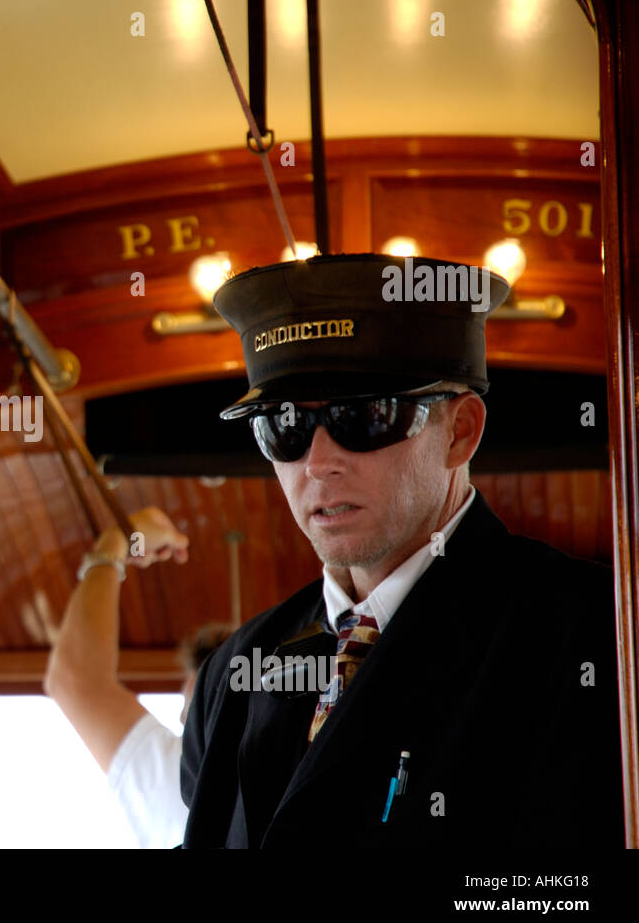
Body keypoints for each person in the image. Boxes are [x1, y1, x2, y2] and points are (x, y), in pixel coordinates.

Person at [178, 253, 623, 848]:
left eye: (362, 416)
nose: (318, 463)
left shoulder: (594, 634)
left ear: (460, 431)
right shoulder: (233, 673)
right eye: (285, 426)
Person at [45, 510, 226, 848]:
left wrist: (116, 543)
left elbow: (76, 680)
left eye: (191, 707)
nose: (185, 719)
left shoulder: (184, 775)